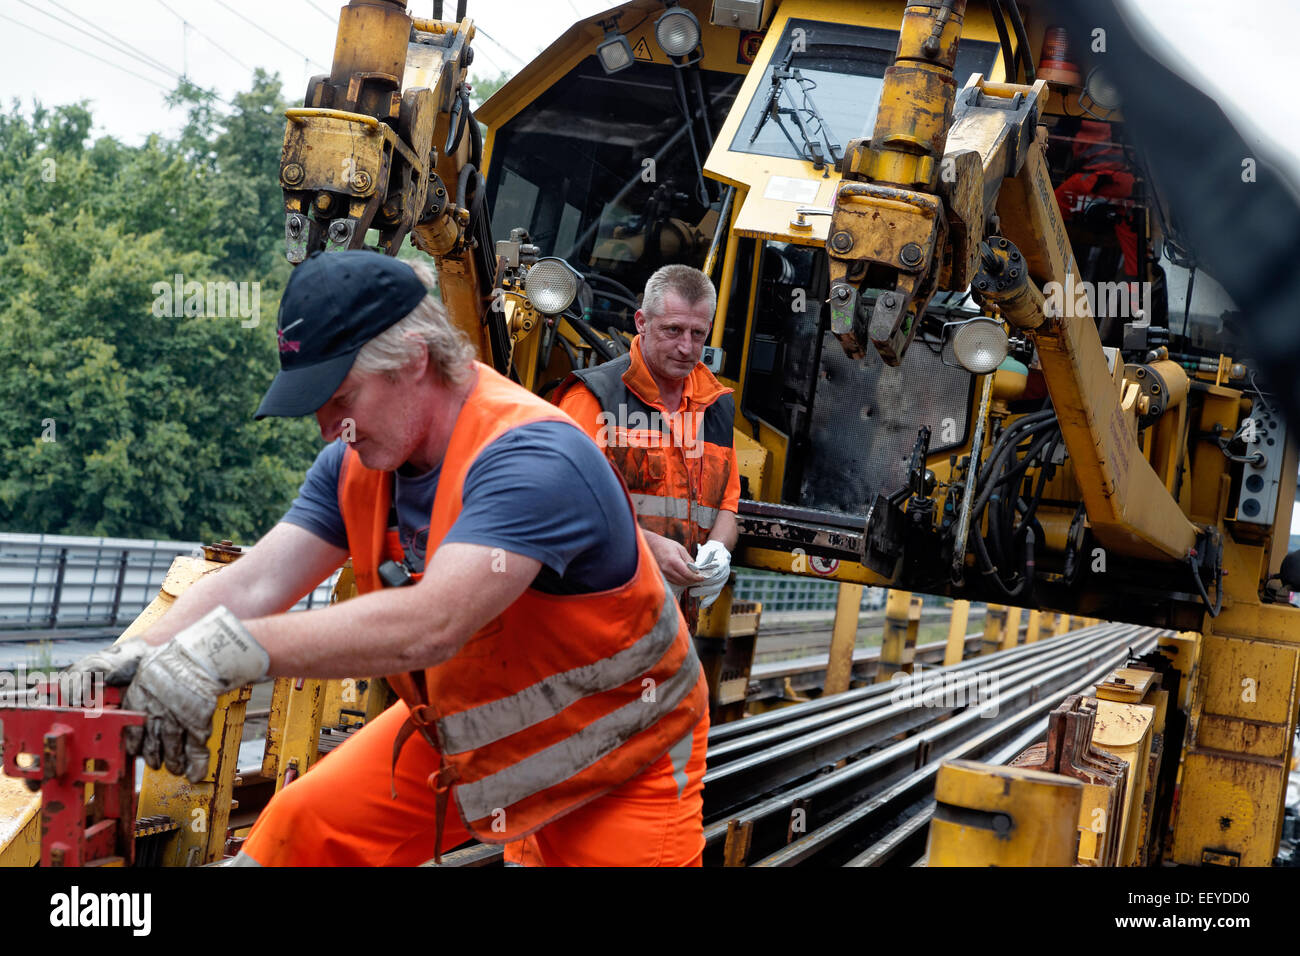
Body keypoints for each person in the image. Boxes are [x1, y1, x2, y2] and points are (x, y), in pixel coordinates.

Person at [69, 250, 709, 867]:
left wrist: (215, 656)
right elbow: (258, 581)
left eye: (339, 398)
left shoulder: (536, 460)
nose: (326, 427)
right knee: (301, 828)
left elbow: (428, 626)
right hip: (474, 728)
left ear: (413, 362)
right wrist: (127, 662)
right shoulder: (357, 462)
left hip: (624, 750)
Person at [555, 264, 740, 623]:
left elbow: (727, 507)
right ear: (641, 322)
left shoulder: (717, 406)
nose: (686, 347)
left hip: (673, 625)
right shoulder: (594, 399)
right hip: (597, 620)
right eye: (673, 330)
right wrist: (650, 548)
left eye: (698, 334)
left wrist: (719, 548)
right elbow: (559, 507)